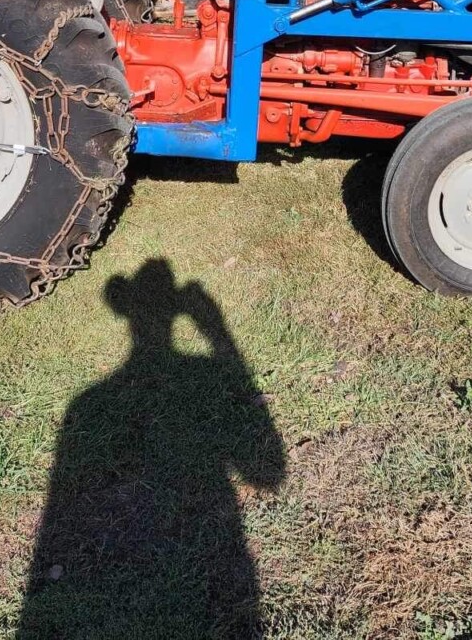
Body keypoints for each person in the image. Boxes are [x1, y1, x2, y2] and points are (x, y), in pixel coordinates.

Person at [20, 258, 286, 639]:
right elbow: (268, 473)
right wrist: (218, 333)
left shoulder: (88, 405)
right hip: (213, 567)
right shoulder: (200, 375)